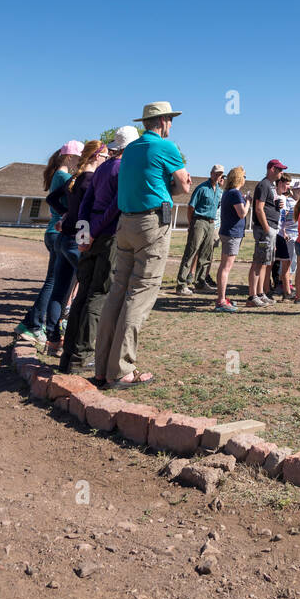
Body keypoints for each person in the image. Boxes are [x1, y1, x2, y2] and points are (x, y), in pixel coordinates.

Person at [95, 101, 191, 387]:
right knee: (141, 293)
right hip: (151, 224)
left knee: (117, 292)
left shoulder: (132, 149)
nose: (171, 125)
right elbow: (184, 186)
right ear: (162, 122)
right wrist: (169, 186)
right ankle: (122, 369)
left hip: (125, 224)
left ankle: (102, 366)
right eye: (170, 120)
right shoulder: (166, 147)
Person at [59, 126, 140, 374]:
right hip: (107, 235)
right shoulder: (123, 169)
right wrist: (94, 230)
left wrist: (84, 232)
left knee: (83, 292)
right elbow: (115, 207)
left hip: (90, 235)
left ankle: (68, 355)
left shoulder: (103, 168)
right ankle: (81, 357)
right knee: (98, 294)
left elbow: (85, 203)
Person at [44, 140, 108, 354]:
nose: (106, 161)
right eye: (106, 157)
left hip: (63, 238)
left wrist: (65, 213)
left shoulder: (74, 178)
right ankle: (79, 342)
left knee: (59, 291)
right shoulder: (91, 180)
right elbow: (90, 213)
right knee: (89, 291)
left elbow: (51, 198)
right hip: (76, 241)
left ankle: (53, 339)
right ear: (96, 156)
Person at [15, 142, 82, 347]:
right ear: (69, 157)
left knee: (54, 281)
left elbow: (51, 199)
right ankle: (34, 324)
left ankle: (34, 323)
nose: (80, 162)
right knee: (54, 283)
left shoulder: (56, 175)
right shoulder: (63, 176)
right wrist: (68, 213)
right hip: (58, 231)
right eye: (79, 158)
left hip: (53, 231)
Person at [175, 165, 224, 295]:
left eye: (220, 174)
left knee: (206, 254)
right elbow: (191, 207)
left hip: (211, 223)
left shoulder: (219, 191)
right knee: (191, 252)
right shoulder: (202, 188)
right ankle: (181, 285)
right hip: (199, 221)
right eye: (216, 173)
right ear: (211, 173)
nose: (218, 176)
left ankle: (200, 283)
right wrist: (192, 224)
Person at [248, 158, 287, 308]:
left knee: (265, 263)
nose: (281, 173)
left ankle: (260, 293)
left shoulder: (270, 186)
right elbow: (259, 208)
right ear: (272, 169)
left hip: (270, 228)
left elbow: (267, 206)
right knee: (258, 263)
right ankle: (252, 296)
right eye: (279, 170)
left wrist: (277, 205)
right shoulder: (264, 185)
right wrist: (266, 229)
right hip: (265, 230)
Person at [214, 166, 249, 312]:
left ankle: (221, 298)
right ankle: (221, 300)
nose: (245, 179)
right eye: (244, 176)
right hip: (232, 233)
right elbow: (242, 213)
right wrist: (248, 202)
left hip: (228, 232)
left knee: (224, 266)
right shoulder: (235, 193)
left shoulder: (229, 192)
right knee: (225, 268)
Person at [272, 170, 296, 302]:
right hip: (273, 233)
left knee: (286, 261)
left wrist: (285, 231)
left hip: (281, 233)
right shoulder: (274, 194)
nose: (289, 187)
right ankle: (265, 290)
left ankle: (286, 291)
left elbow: (283, 218)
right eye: (287, 184)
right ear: (280, 183)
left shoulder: (284, 198)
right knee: (269, 263)